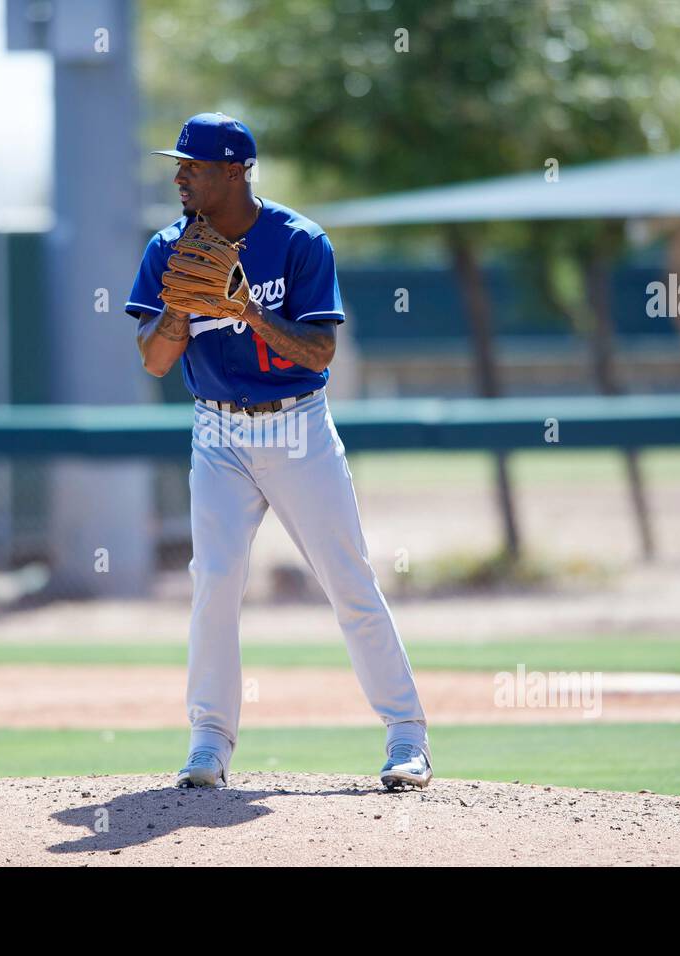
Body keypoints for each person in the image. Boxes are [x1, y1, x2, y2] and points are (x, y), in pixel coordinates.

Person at [125, 112, 432, 791]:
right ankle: (208, 742)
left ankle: (406, 736)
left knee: (348, 580)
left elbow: (320, 349)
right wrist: (180, 307)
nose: (179, 175)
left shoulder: (298, 240)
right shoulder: (168, 248)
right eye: (177, 164)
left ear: (235, 171)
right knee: (215, 582)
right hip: (216, 431)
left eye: (193, 165)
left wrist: (248, 311)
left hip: (297, 426)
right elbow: (153, 360)